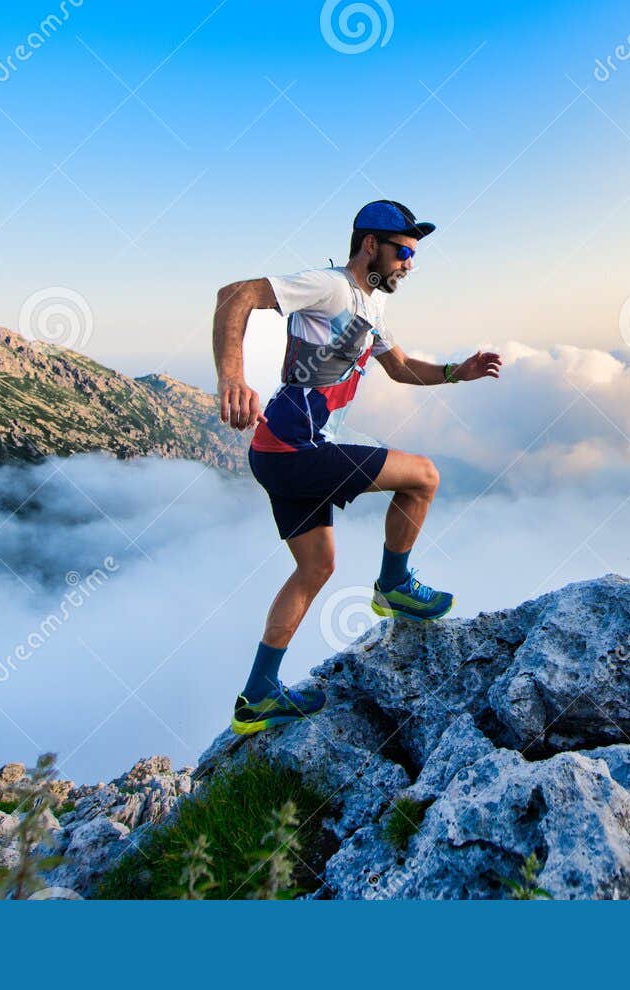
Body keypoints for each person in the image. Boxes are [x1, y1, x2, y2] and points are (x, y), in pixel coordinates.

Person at [212, 200, 502, 735]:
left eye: (413, 255)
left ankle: (257, 696)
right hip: (294, 447)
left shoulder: (371, 310)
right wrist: (233, 376)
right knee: (424, 477)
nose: (409, 265)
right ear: (371, 244)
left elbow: (401, 369)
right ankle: (393, 585)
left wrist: (455, 372)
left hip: (279, 450)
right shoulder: (329, 286)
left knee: (316, 567)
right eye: (403, 252)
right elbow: (235, 296)